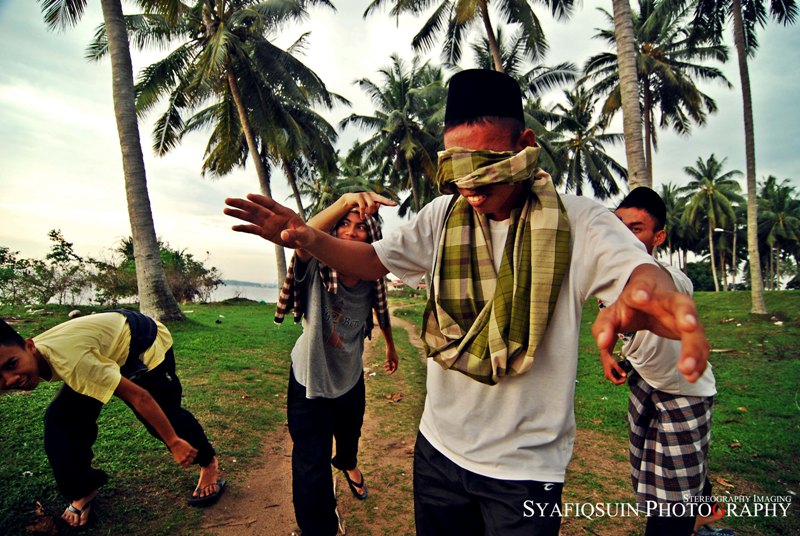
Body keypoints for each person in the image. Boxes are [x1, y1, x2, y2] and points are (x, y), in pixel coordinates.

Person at [224, 69, 709, 535]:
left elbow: (634, 270)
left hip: (526, 467)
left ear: (524, 148)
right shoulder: (442, 215)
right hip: (438, 452)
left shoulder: (579, 222)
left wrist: (651, 292)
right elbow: (372, 260)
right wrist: (308, 237)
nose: (472, 190)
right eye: (459, 170)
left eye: (488, 168)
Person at [0, 310, 225, 528]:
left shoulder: (73, 362)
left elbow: (140, 397)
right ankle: (83, 489)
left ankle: (208, 462)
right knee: (61, 420)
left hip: (143, 341)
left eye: (12, 364)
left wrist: (174, 442)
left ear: (30, 346)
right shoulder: (60, 360)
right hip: (102, 351)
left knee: (165, 416)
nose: (10, 380)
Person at [603, 187, 731, 536]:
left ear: (658, 237)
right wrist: (609, 355)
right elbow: (618, 323)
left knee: (670, 496)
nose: (624, 236)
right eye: (618, 227)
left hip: (685, 391)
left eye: (637, 228)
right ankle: (705, 515)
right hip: (645, 381)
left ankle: (692, 521)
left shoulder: (670, 278)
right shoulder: (609, 277)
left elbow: (663, 299)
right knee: (659, 467)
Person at [276, 194, 400, 536]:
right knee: (310, 464)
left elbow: (382, 311)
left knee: (349, 438)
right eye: (343, 224)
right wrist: (347, 201)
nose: (350, 231)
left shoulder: (372, 278)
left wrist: (390, 346)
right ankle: (319, 528)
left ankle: (347, 463)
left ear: (371, 240)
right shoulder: (315, 268)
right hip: (309, 381)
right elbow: (302, 235)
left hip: (349, 379)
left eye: (360, 227)